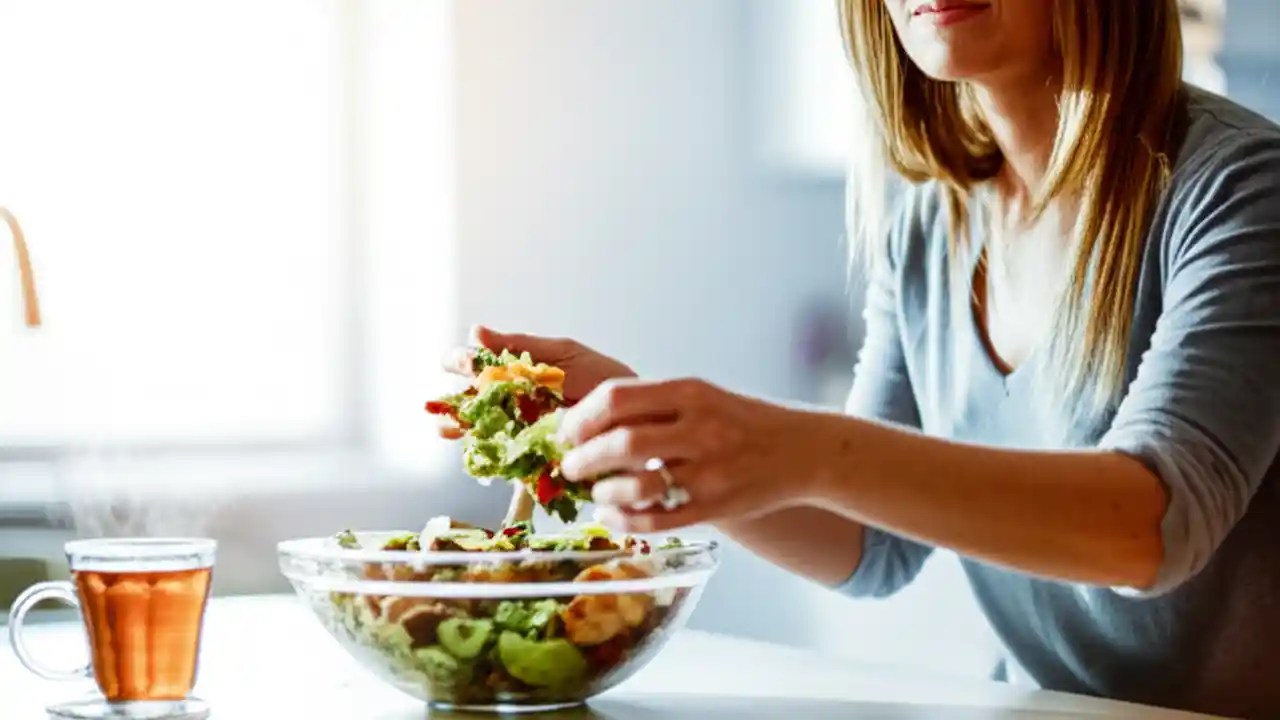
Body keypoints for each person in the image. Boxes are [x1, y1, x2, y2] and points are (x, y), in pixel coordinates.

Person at [443, 1, 1280, 716]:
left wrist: (802, 447)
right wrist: (635, 418)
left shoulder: (1242, 186)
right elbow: (866, 545)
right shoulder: (927, 225)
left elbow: (1149, 526)